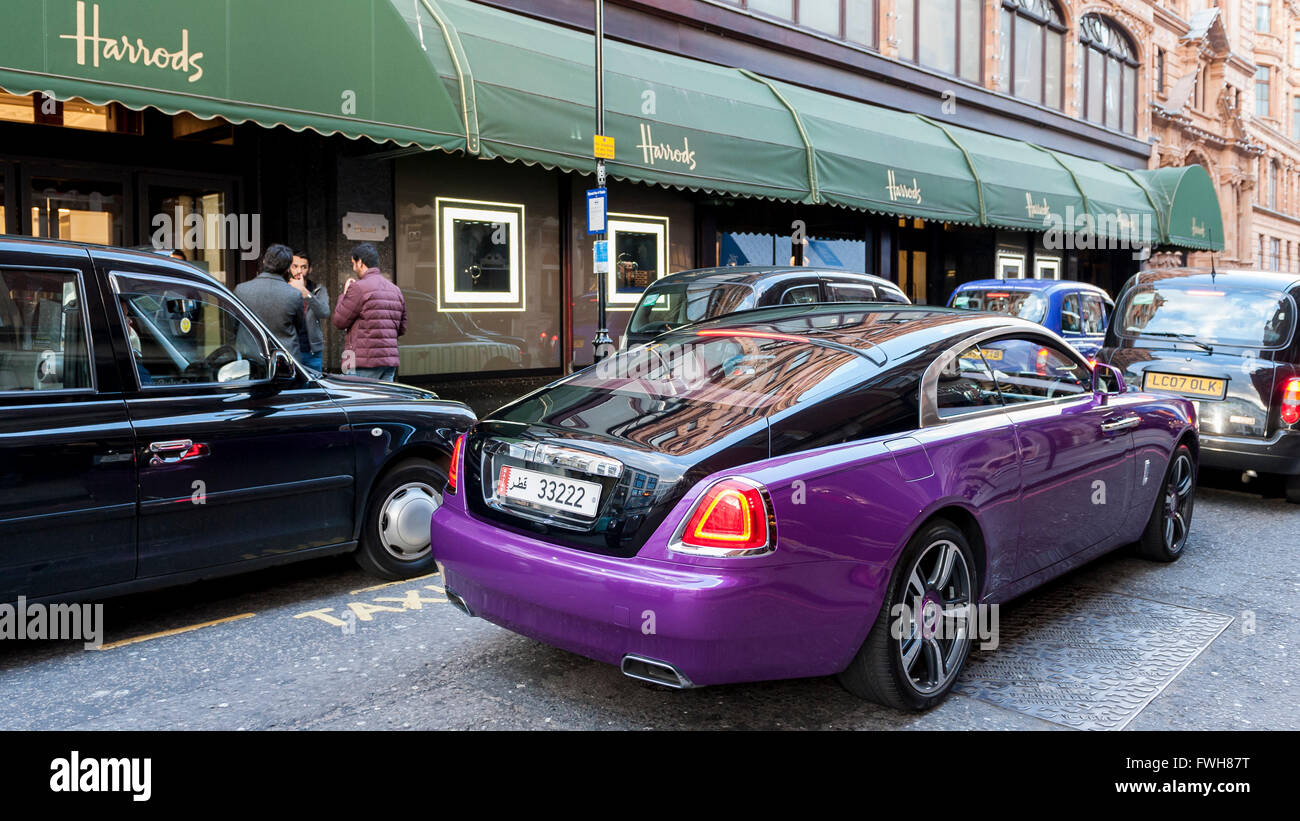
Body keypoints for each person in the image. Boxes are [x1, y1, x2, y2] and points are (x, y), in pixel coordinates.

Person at [333, 242, 406, 381]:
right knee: (382, 401)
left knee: (358, 401)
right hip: (389, 363)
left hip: (362, 363)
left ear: (360, 262)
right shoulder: (396, 290)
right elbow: (402, 329)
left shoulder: (358, 288)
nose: (354, 267)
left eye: (353, 263)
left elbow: (339, 321)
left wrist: (344, 294)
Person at [234, 244, 308, 355]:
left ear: (264, 261)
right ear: (288, 268)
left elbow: (235, 325)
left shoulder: (241, 290)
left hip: (249, 358)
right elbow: (299, 326)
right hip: (284, 359)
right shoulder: (294, 294)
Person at [288, 250, 330, 371]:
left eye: (303, 267)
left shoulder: (318, 289)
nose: (299, 271)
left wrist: (305, 292)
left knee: (314, 388)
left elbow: (324, 312)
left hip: (312, 353)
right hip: (289, 351)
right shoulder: (283, 288)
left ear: (310, 269)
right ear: (289, 268)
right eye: (295, 266)